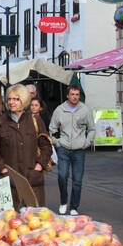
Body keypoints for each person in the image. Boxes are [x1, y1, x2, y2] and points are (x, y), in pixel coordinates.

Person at [0, 84, 51, 207]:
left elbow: (46, 146)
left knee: (34, 220)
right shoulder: (0, 122)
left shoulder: (35, 121)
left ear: (24, 100)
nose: (12, 102)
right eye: (10, 99)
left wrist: (39, 165)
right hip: (7, 180)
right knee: (7, 219)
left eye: (16, 99)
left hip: (32, 178)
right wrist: (2, 168)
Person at [49, 80, 95, 216]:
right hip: (63, 148)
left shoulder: (85, 110)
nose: (75, 97)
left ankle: (74, 206)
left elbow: (91, 128)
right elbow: (52, 128)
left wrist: (87, 142)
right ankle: (64, 200)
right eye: (72, 94)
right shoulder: (60, 110)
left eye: (77, 94)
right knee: (62, 175)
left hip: (79, 149)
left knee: (77, 180)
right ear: (68, 95)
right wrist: (56, 142)